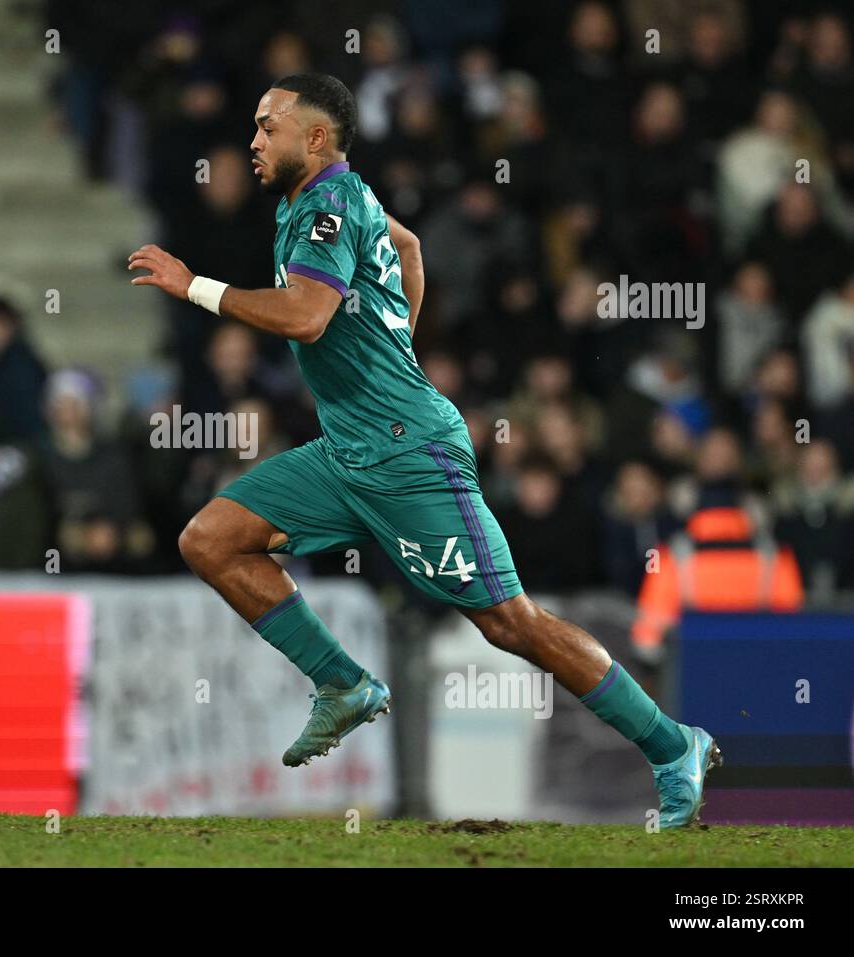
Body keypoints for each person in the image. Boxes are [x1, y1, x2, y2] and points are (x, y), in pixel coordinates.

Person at [128, 72, 720, 829]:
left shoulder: (329, 206)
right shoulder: (333, 197)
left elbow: (308, 317)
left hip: (412, 455)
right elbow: (408, 249)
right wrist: (395, 338)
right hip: (348, 450)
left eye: (266, 126)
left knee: (512, 624)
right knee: (211, 539)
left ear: (314, 137)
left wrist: (195, 288)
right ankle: (343, 684)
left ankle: (674, 746)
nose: (253, 139)